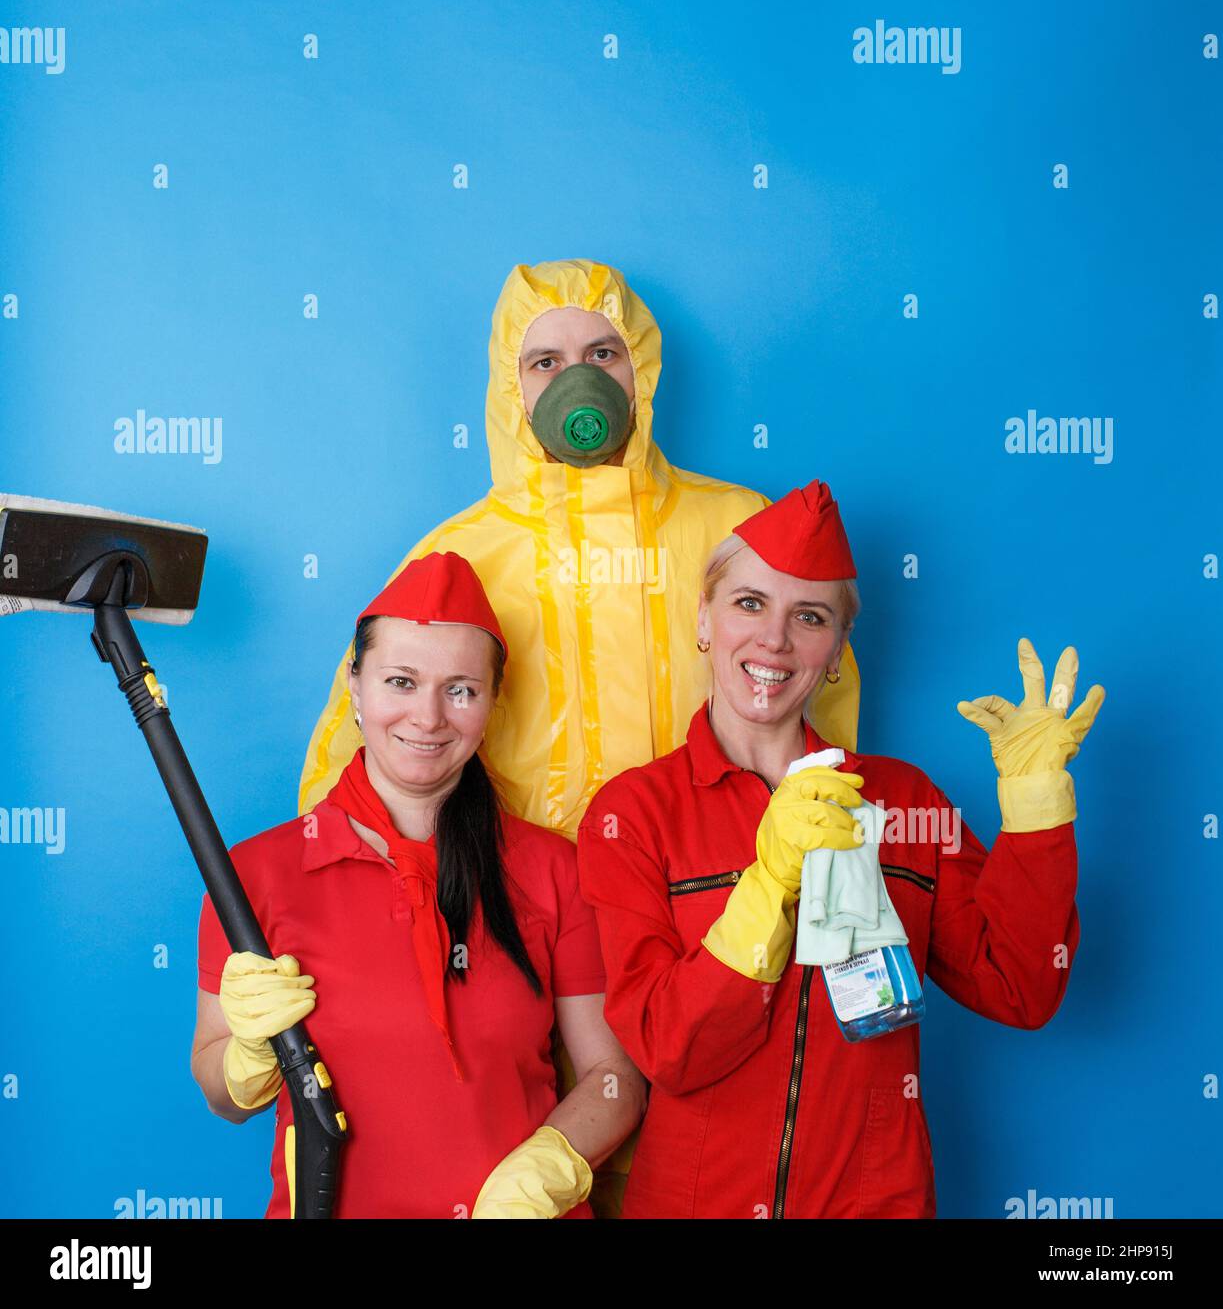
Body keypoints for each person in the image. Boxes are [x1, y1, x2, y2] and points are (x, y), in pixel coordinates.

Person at [576, 479, 1105, 1218]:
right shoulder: (632, 815)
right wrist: (768, 885)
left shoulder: (903, 803)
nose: (773, 640)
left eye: (810, 616)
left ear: (836, 650)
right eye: (749, 603)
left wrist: (1036, 808)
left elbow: (1020, 987)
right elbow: (670, 1051)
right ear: (703, 619)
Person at [298, 259, 863, 838]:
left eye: (602, 355)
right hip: (533, 903)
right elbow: (366, 732)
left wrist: (810, 856)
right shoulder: (459, 554)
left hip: (724, 879)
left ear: (638, 367)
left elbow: (818, 698)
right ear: (510, 384)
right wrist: (327, 870)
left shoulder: (738, 524)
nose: (579, 382)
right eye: (547, 362)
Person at [190, 551, 646, 1218]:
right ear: (354, 685)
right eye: (400, 681)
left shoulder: (552, 869)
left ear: (491, 701)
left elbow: (616, 1081)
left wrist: (546, 1172)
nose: (428, 718)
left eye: (460, 689)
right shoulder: (255, 876)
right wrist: (248, 1054)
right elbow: (222, 1099)